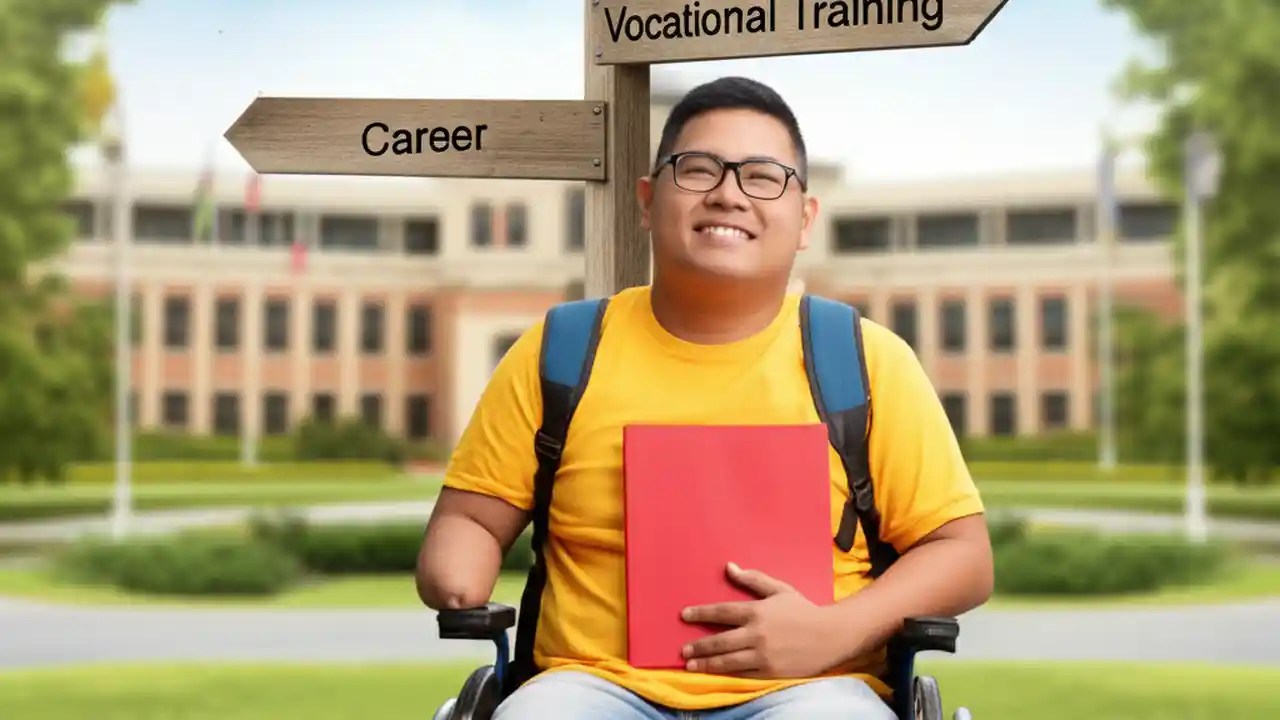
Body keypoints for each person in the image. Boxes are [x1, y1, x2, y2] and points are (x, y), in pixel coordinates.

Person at [416, 76, 993, 720]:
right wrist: (457, 568)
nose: (728, 195)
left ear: (804, 218)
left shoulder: (864, 361)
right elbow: (471, 518)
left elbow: (962, 554)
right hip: (590, 685)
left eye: (763, 177)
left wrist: (837, 630)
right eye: (697, 170)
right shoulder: (561, 350)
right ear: (646, 200)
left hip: (814, 688)